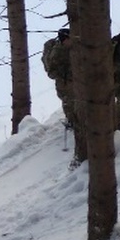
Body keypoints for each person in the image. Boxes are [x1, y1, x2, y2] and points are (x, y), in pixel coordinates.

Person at [43, 28, 83, 157]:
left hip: (74, 80)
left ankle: (77, 121)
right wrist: (64, 75)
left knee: (76, 101)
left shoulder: (73, 44)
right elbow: (51, 72)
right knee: (69, 103)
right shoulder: (57, 53)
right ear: (65, 40)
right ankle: (73, 123)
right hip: (64, 83)